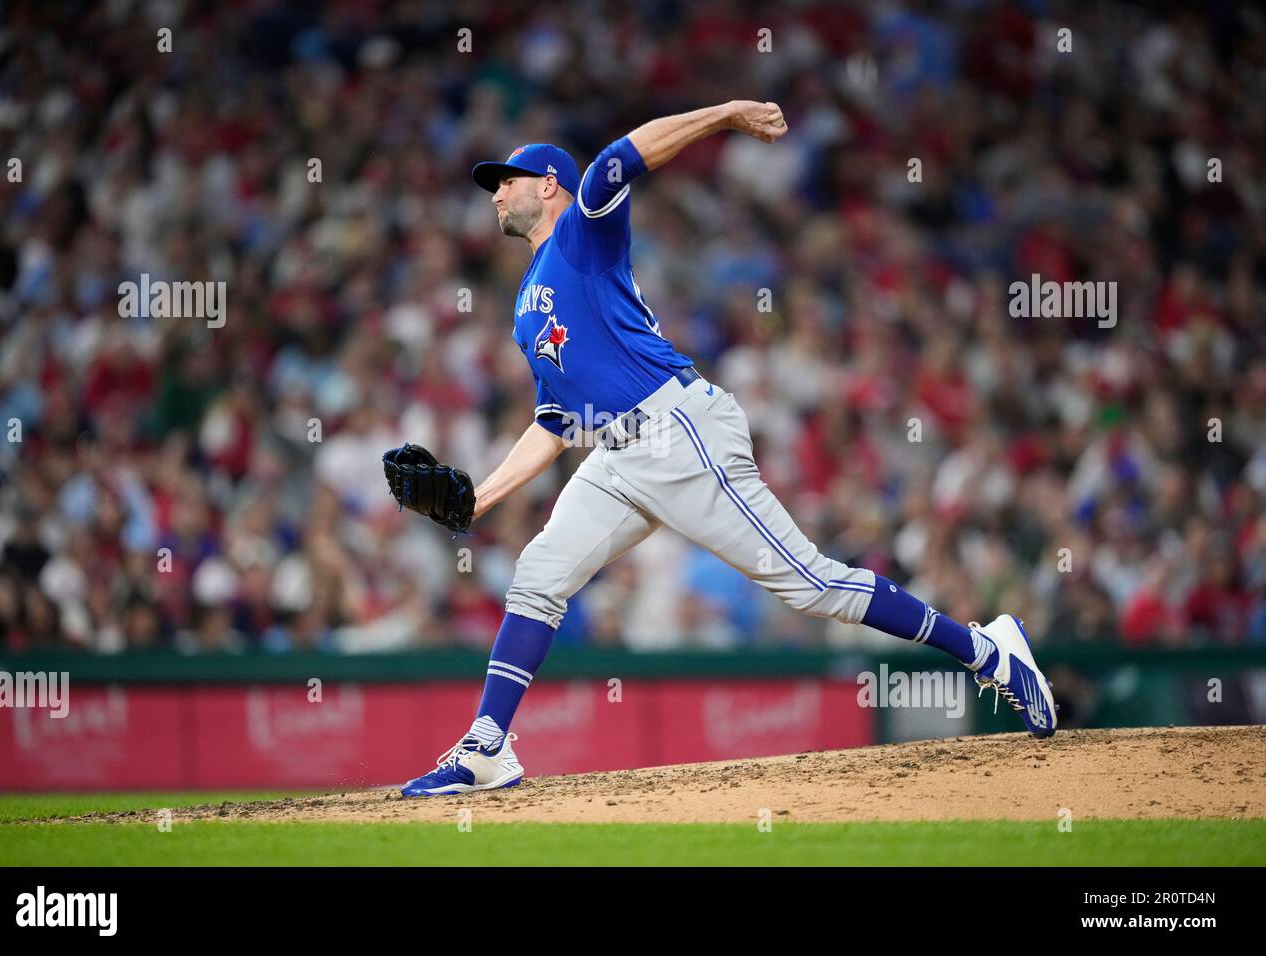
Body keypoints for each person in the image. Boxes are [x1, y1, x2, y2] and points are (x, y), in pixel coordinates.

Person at [401, 100, 1056, 797]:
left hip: (675, 430)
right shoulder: (528, 297)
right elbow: (557, 422)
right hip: (618, 456)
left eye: (509, 177)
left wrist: (727, 114)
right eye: (493, 182)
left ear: (549, 185)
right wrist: (480, 496)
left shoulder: (580, 238)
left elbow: (623, 154)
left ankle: (991, 652)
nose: (497, 190)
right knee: (538, 576)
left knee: (812, 586)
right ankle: (486, 749)